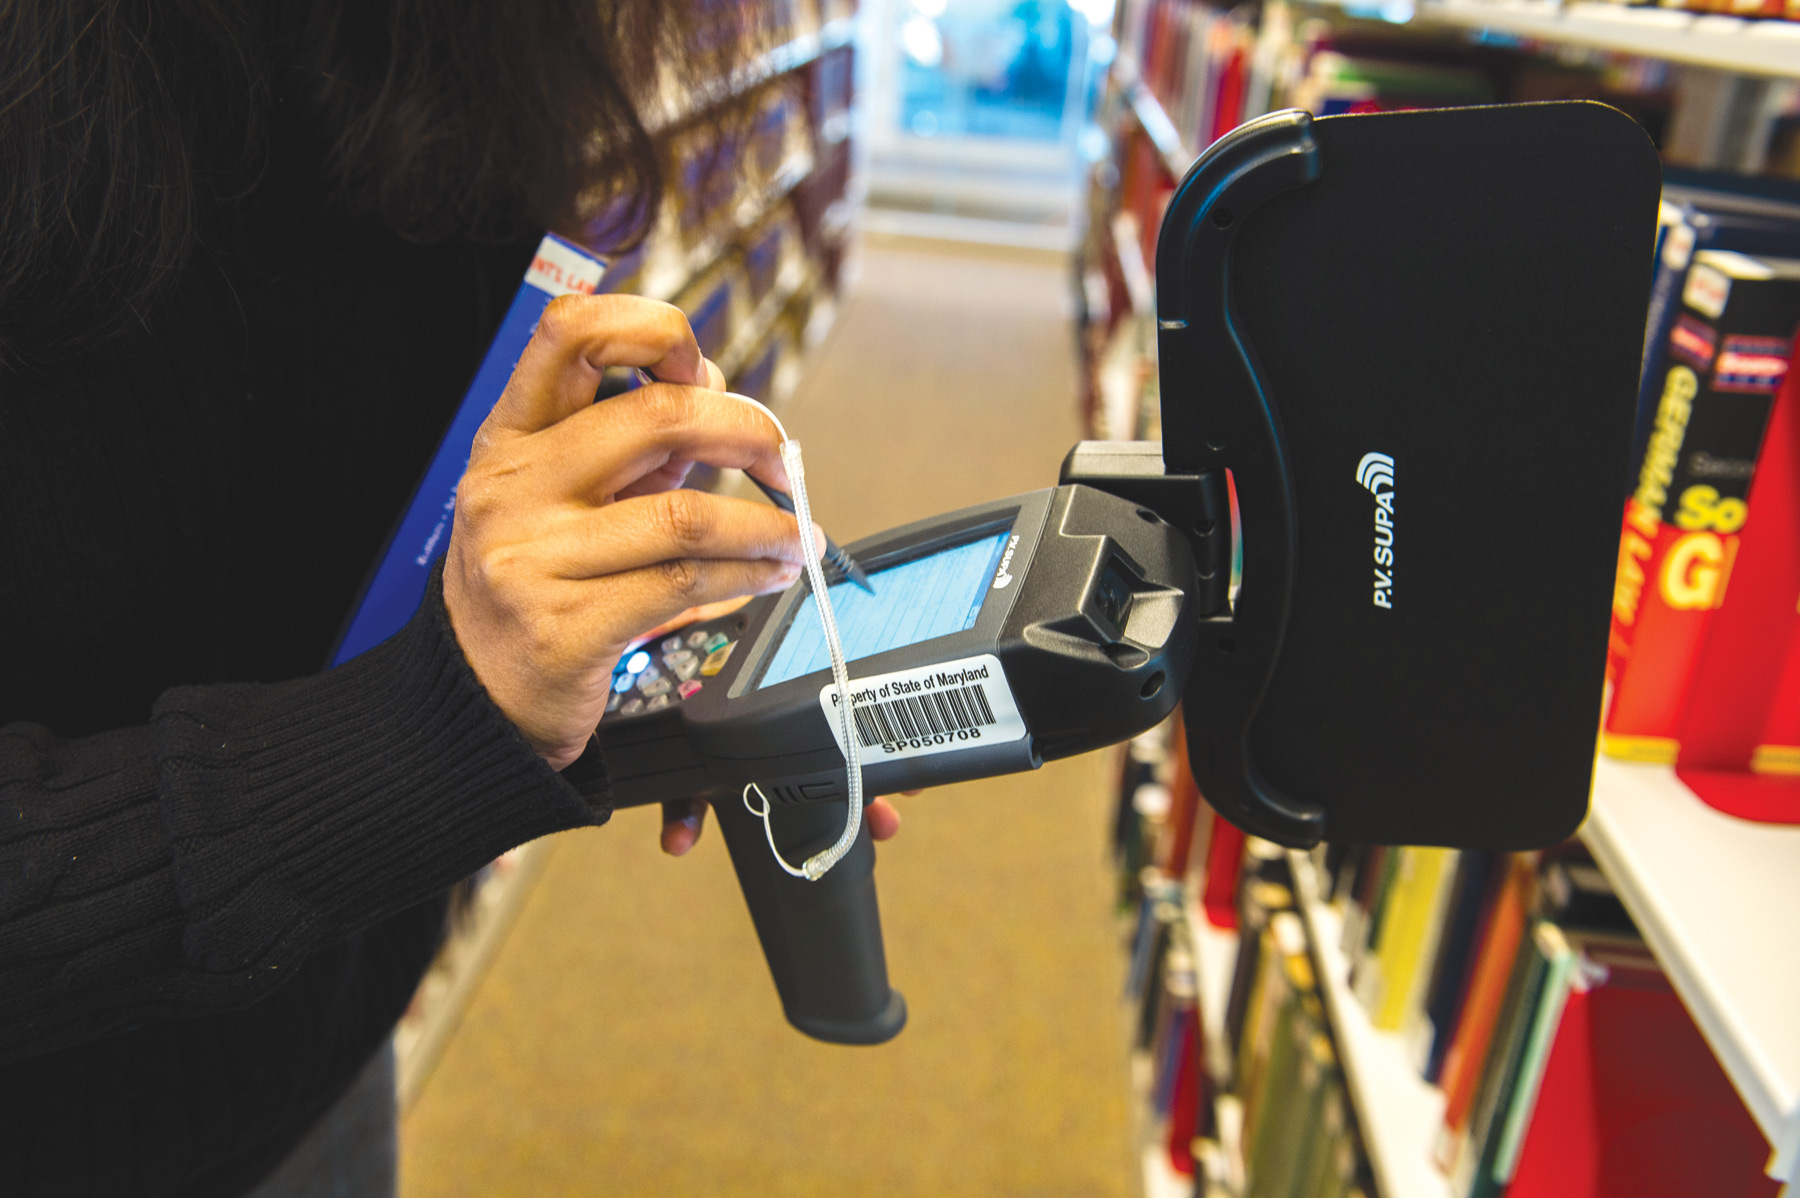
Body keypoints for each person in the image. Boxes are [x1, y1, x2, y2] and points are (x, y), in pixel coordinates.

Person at [0, 3, 895, 1194]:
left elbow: (389, 468)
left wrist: (574, 612)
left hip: (327, 1024)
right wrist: (430, 733)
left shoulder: (460, 41)